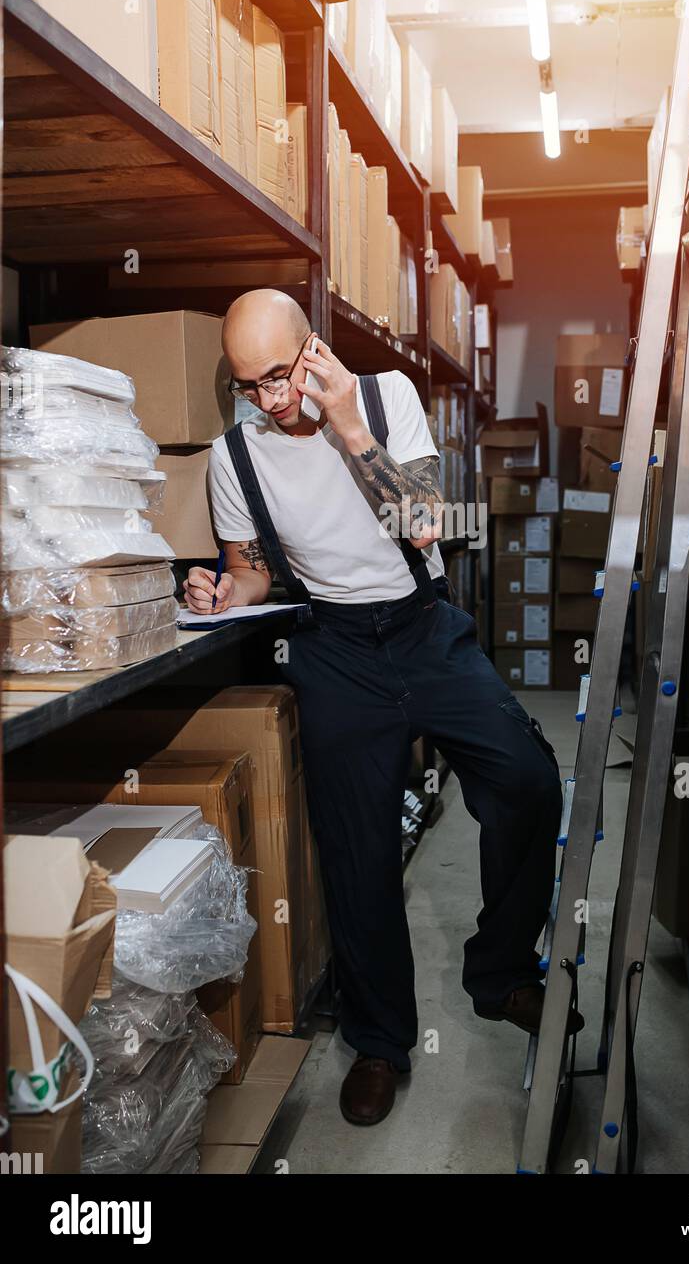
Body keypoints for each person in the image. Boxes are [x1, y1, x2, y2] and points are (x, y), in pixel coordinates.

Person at [184, 289, 576, 1127]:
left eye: (281, 376)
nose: (272, 400)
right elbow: (252, 568)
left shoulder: (389, 395)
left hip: (423, 627)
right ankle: (378, 1040)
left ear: (313, 350)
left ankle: (502, 973)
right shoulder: (234, 455)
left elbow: (427, 524)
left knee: (528, 776)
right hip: (332, 650)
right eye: (249, 385)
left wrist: (349, 426)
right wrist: (223, 588)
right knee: (356, 850)